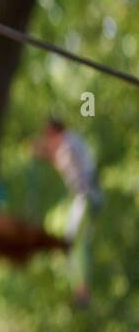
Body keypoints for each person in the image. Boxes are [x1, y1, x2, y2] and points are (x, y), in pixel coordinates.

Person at [33, 117, 102, 308]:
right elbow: (58, 159)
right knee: (72, 244)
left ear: (55, 131)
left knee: (75, 242)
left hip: (86, 197)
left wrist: (42, 147)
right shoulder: (67, 146)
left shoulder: (69, 140)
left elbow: (58, 149)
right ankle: (79, 289)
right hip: (82, 198)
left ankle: (82, 290)